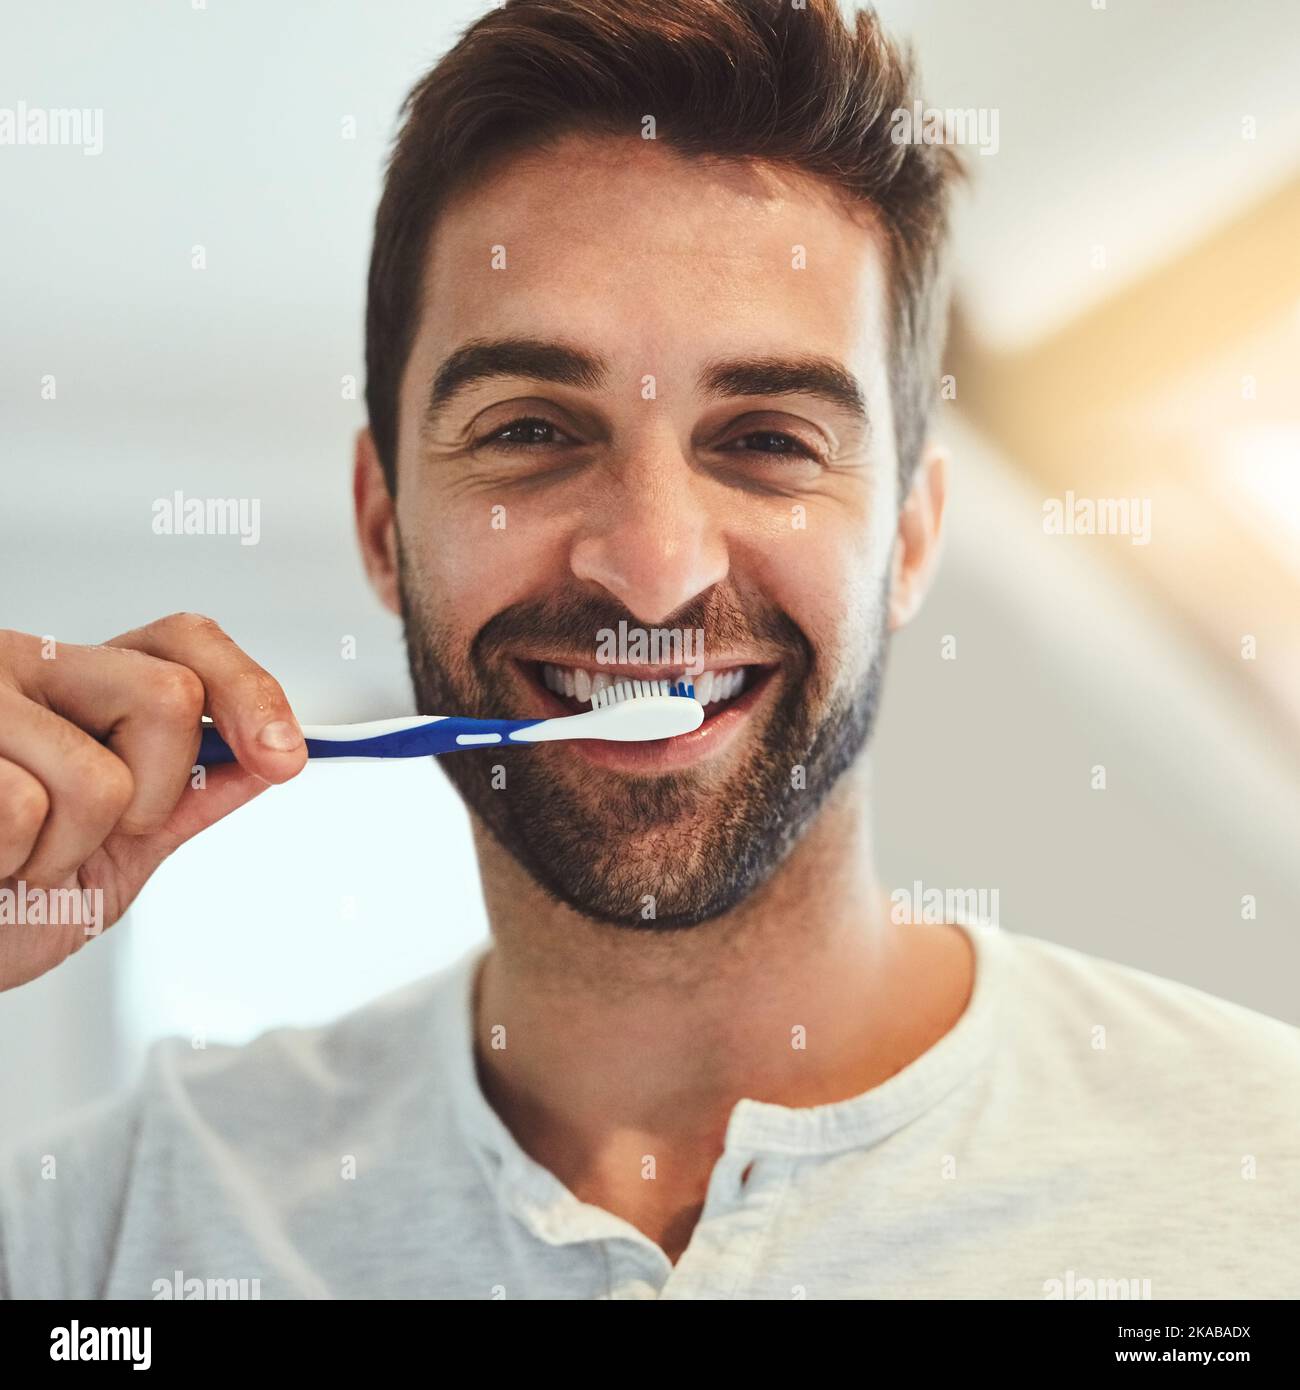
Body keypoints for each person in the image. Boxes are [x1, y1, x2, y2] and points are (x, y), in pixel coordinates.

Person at [1, 0, 1295, 1299]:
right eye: (531, 432)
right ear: (383, 524)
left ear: (909, 543)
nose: (655, 564)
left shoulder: (1261, 1181)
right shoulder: (114, 1229)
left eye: (769, 440)